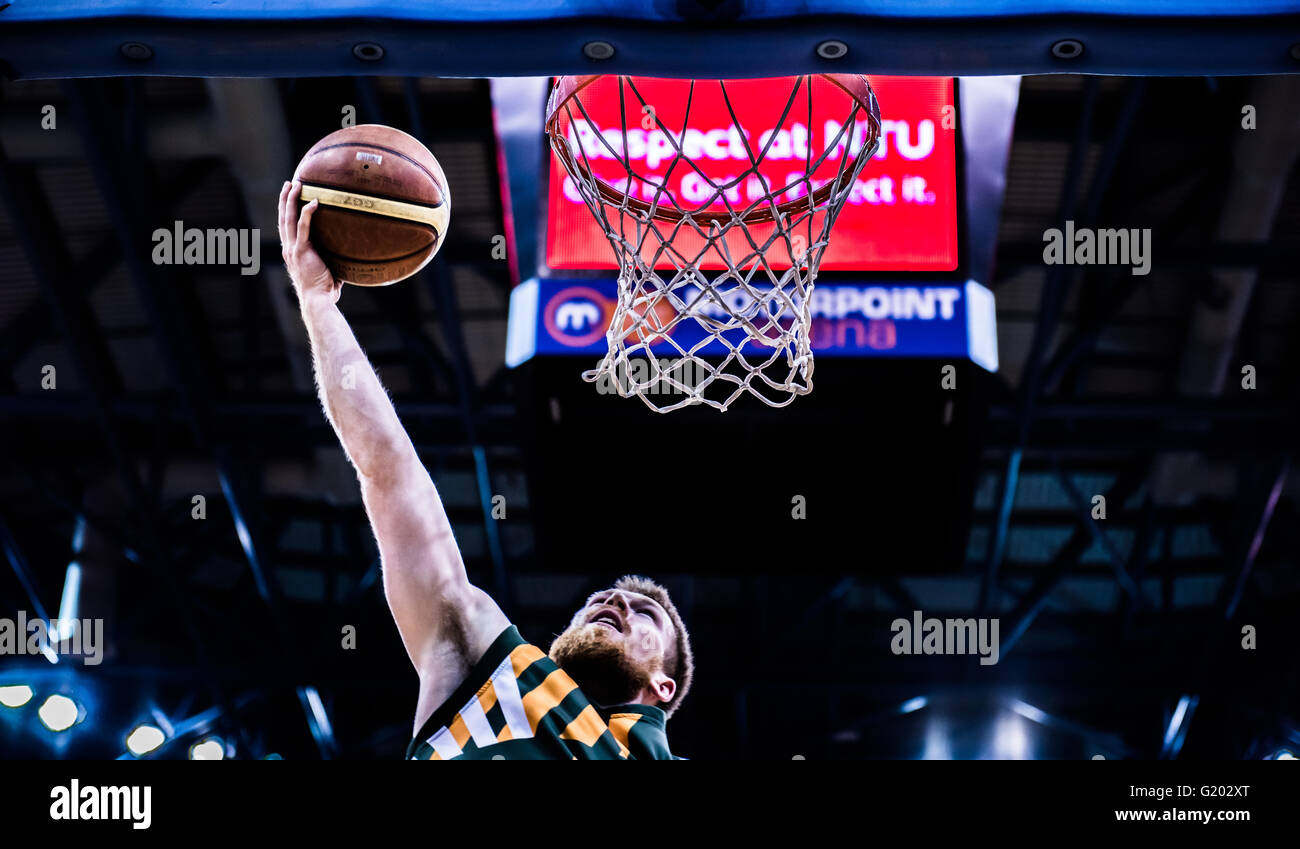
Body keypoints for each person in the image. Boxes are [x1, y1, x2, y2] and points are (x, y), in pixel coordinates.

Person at [278, 181, 693, 759]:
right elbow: (392, 478)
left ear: (662, 685)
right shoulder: (491, 669)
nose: (612, 603)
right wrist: (319, 305)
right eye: (606, 599)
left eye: (643, 613)